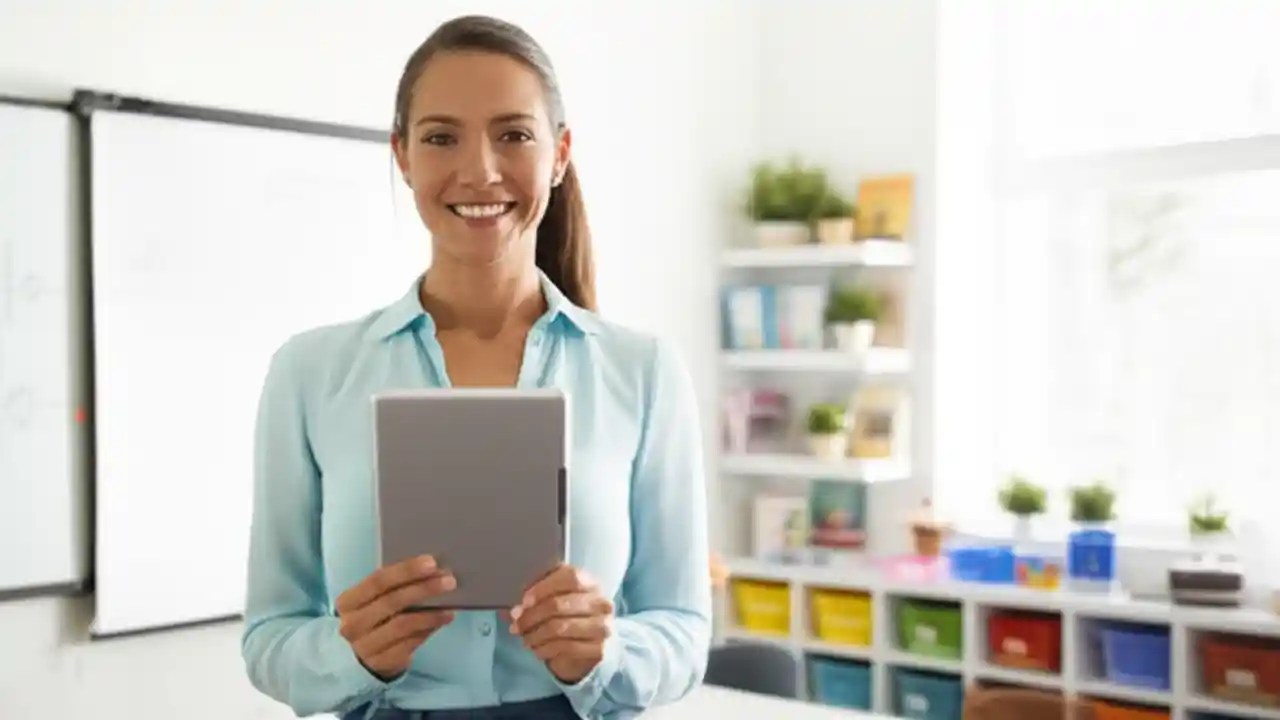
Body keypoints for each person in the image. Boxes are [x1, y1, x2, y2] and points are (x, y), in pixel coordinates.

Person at [239, 14, 711, 720]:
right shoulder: (310, 373)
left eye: (514, 134)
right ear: (402, 156)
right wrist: (352, 654)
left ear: (560, 153)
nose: (480, 169)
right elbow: (269, 637)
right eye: (440, 137)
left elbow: (682, 628)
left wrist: (603, 651)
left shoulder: (641, 371)